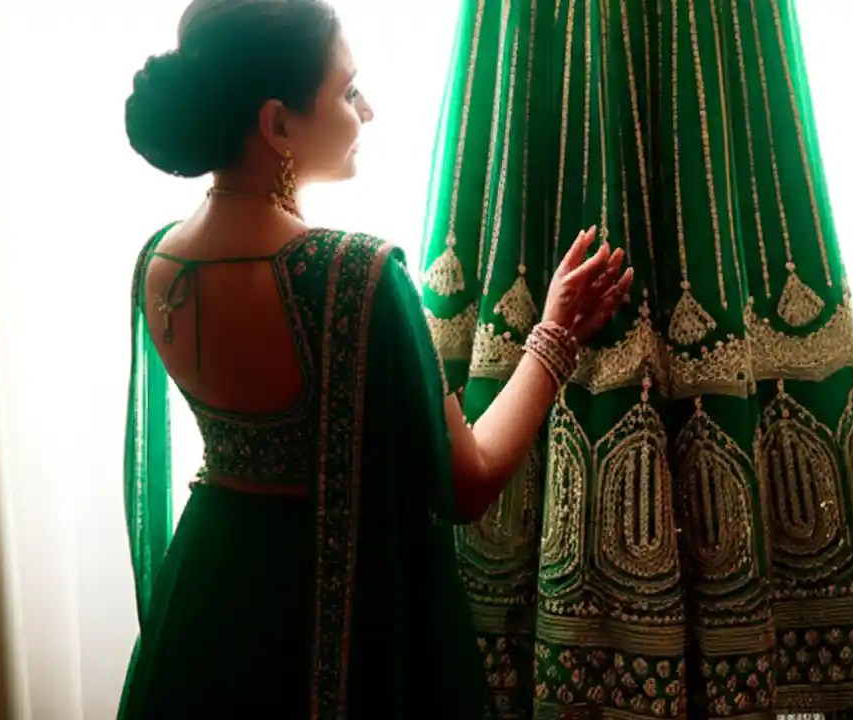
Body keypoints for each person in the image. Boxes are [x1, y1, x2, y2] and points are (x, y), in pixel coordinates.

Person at [118, 1, 635, 718]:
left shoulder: (160, 262)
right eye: (348, 90)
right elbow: (466, 483)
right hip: (328, 621)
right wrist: (555, 338)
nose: (367, 110)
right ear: (277, 124)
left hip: (205, 606)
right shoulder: (350, 276)